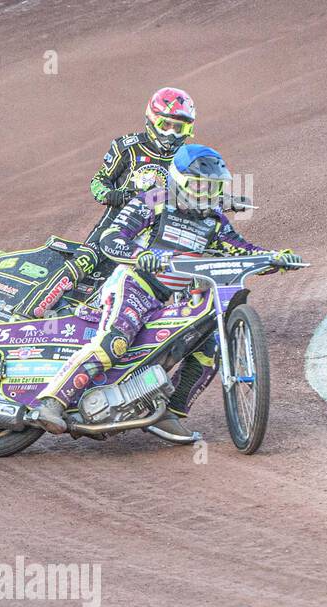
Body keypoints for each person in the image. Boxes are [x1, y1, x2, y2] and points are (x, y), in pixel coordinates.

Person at [31, 145, 303, 437]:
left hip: (169, 300)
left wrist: (275, 259)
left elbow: (243, 251)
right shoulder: (154, 200)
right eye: (200, 187)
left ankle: (168, 413)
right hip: (134, 284)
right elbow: (110, 238)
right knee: (115, 342)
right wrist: (139, 255)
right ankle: (52, 402)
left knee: (208, 342)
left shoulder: (214, 221)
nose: (207, 195)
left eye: (213, 188)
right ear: (180, 182)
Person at [84, 87, 197, 247]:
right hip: (118, 219)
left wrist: (221, 201)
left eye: (178, 128)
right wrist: (109, 194)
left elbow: (197, 192)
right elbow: (100, 179)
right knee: (86, 258)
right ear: (152, 119)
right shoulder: (128, 147)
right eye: (166, 125)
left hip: (161, 227)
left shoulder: (188, 158)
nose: (172, 133)